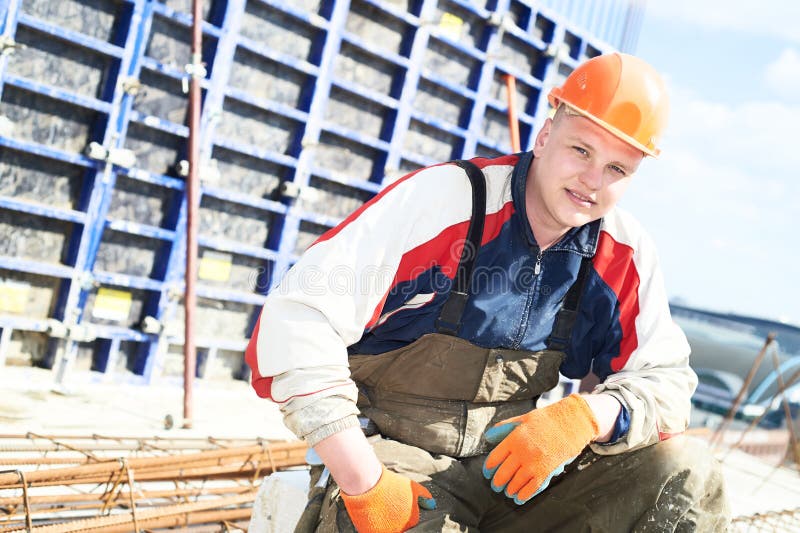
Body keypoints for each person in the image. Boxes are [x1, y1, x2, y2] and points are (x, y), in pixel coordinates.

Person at [245, 52, 730, 532]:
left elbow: (667, 381)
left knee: (686, 473)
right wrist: (363, 482)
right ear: (544, 136)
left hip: (515, 471)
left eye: (617, 170)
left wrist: (587, 416)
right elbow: (296, 321)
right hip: (396, 460)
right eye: (580, 150)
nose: (591, 181)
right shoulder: (446, 202)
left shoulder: (620, 252)